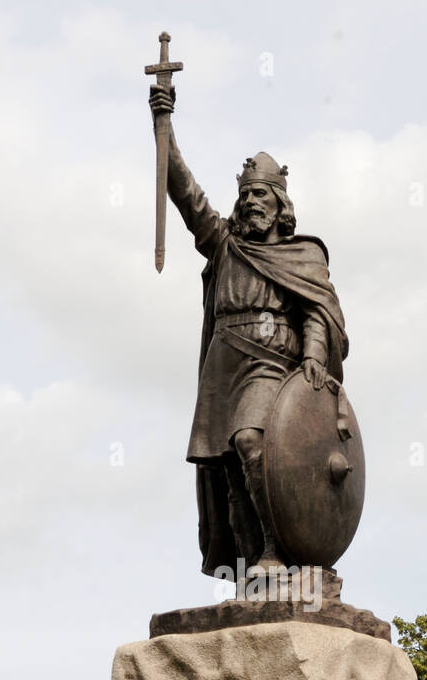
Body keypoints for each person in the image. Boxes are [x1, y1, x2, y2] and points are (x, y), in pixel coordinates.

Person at [149, 83, 348, 576]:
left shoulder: (303, 254)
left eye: (260, 194)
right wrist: (163, 126)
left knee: (251, 442)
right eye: (245, 195)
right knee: (230, 471)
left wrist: (314, 355)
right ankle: (248, 571)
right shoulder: (225, 244)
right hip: (224, 366)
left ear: (280, 203)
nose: (251, 201)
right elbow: (185, 193)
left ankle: (277, 550)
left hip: (271, 365)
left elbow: (318, 311)